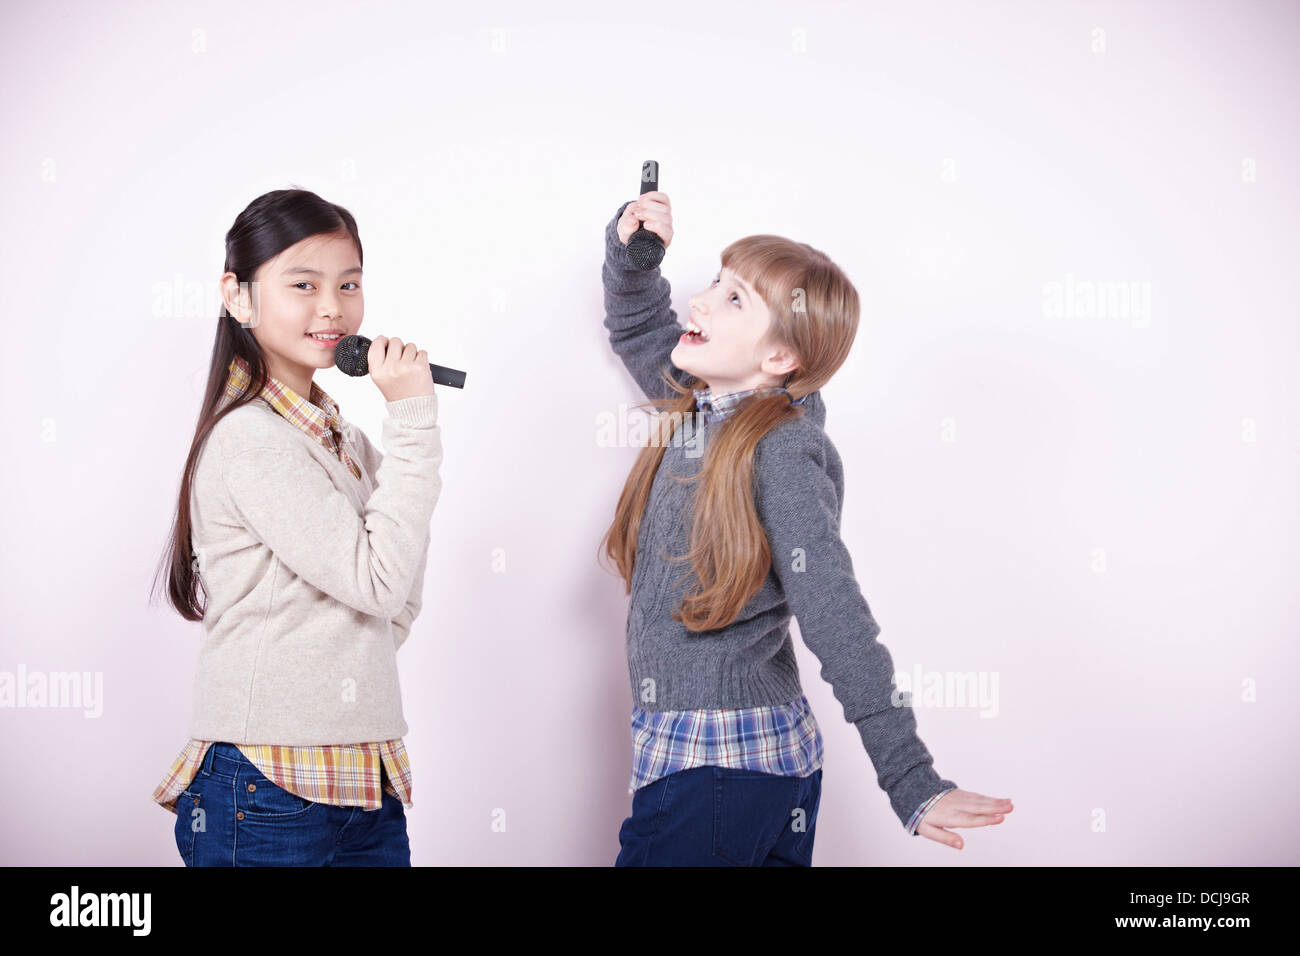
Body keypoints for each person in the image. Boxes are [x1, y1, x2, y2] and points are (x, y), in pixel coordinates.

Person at [600, 192, 1013, 865]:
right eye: (715, 284)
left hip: (714, 767)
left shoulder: (778, 450)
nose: (701, 303)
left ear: (781, 358)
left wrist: (909, 776)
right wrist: (635, 256)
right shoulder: (709, 405)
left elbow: (834, 612)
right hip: (747, 762)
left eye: (735, 300)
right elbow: (640, 327)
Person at [148, 187, 444, 866]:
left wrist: (360, 629)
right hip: (269, 784)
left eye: (349, 283)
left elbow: (395, 591)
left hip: (364, 778)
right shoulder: (250, 439)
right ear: (240, 296)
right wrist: (414, 419)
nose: (332, 307)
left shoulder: (344, 440)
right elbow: (377, 585)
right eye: (303, 284)